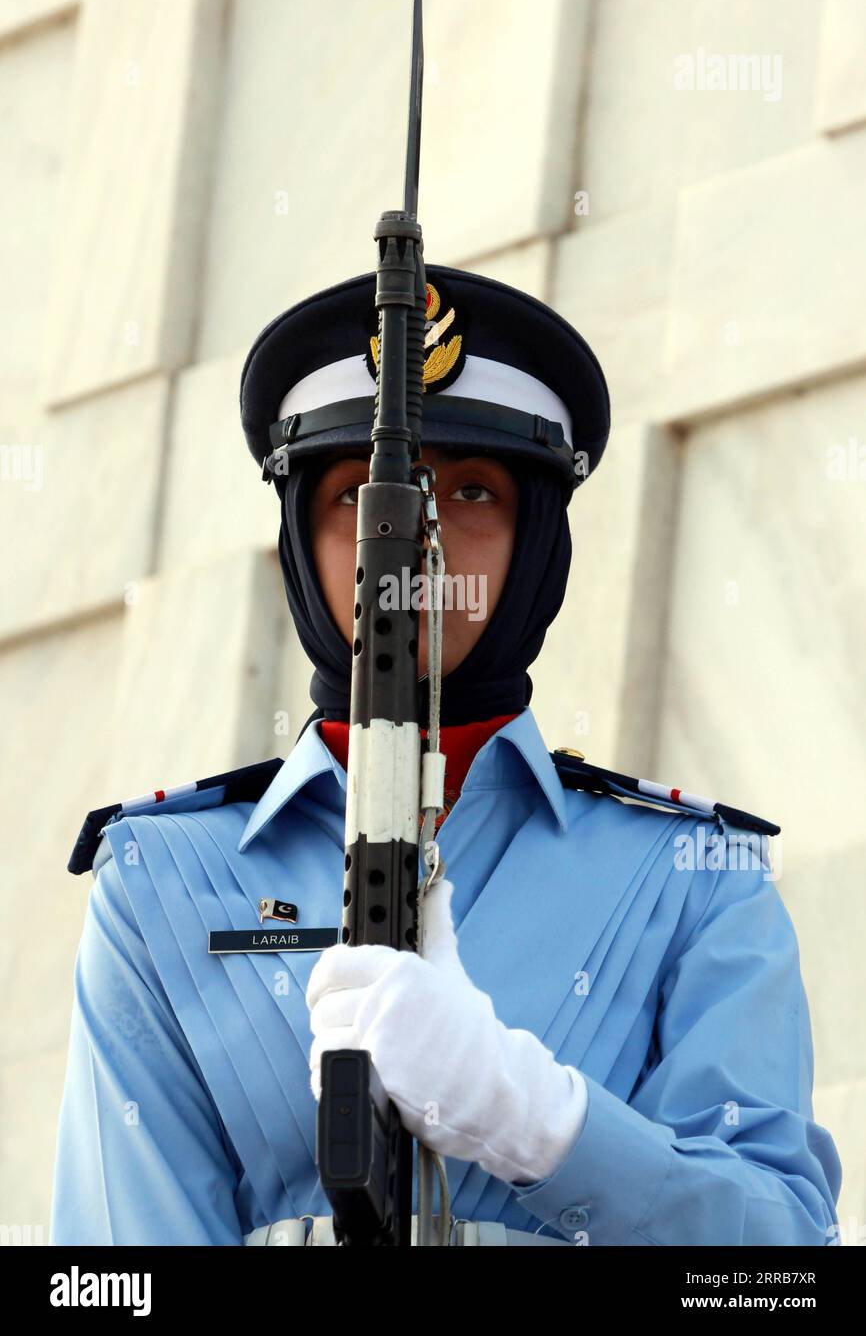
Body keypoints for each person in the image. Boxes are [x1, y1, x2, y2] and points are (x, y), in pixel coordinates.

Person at [51, 266, 842, 1246]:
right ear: (299, 536)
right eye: (360, 496)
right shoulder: (162, 878)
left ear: (538, 539)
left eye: (470, 491)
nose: (412, 547)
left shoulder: (690, 878)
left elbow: (777, 1271)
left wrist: (529, 1116)